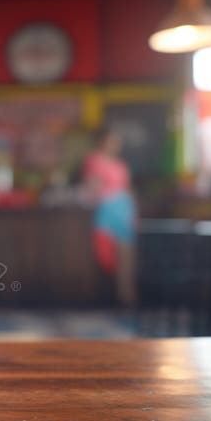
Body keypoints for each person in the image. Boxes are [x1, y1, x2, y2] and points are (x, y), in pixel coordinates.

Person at [82, 128, 137, 307]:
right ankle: (106, 297)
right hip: (106, 209)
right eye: (111, 140)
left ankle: (126, 296)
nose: (115, 145)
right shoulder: (94, 161)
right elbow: (92, 189)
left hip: (124, 209)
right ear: (102, 141)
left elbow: (127, 188)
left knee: (126, 255)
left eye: (117, 141)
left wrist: (132, 210)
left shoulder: (121, 165)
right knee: (105, 254)